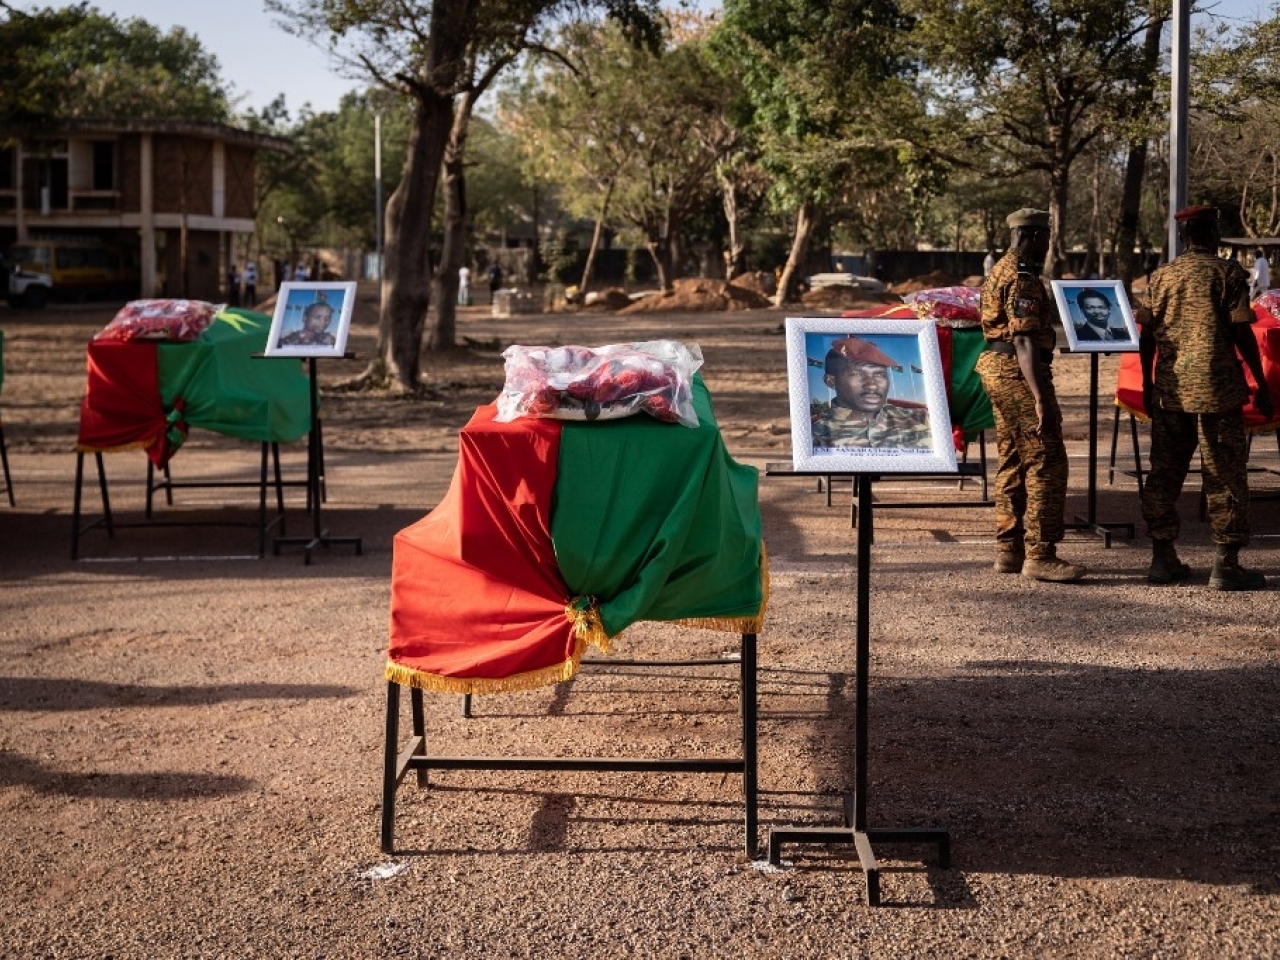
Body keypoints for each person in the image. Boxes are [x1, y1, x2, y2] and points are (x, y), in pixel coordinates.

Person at [1135, 204, 1274, 590]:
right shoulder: (1228, 273)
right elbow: (1243, 333)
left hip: (1171, 392)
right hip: (1217, 393)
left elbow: (1146, 336)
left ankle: (1162, 559)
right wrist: (1260, 385)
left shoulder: (1160, 277)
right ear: (1213, 233)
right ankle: (1225, 564)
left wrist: (1148, 384)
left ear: (1183, 236)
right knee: (1225, 475)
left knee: (1164, 474)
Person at [976, 207, 1087, 582]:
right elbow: (1023, 338)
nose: (1047, 244)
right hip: (1017, 372)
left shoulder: (999, 271)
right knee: (1046, 459)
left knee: (1011, 458)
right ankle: (1040, 554)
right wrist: (1040, 396)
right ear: (1035, 237)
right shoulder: (1022, 277)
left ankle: (1008, 550)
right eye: (1046, 237)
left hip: (997, 369)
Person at [810, 336, 932, 450]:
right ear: (831, 381)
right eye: (857, 374)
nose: (872, 385)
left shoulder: (923, 420)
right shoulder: (813, 435)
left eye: (879, 374)